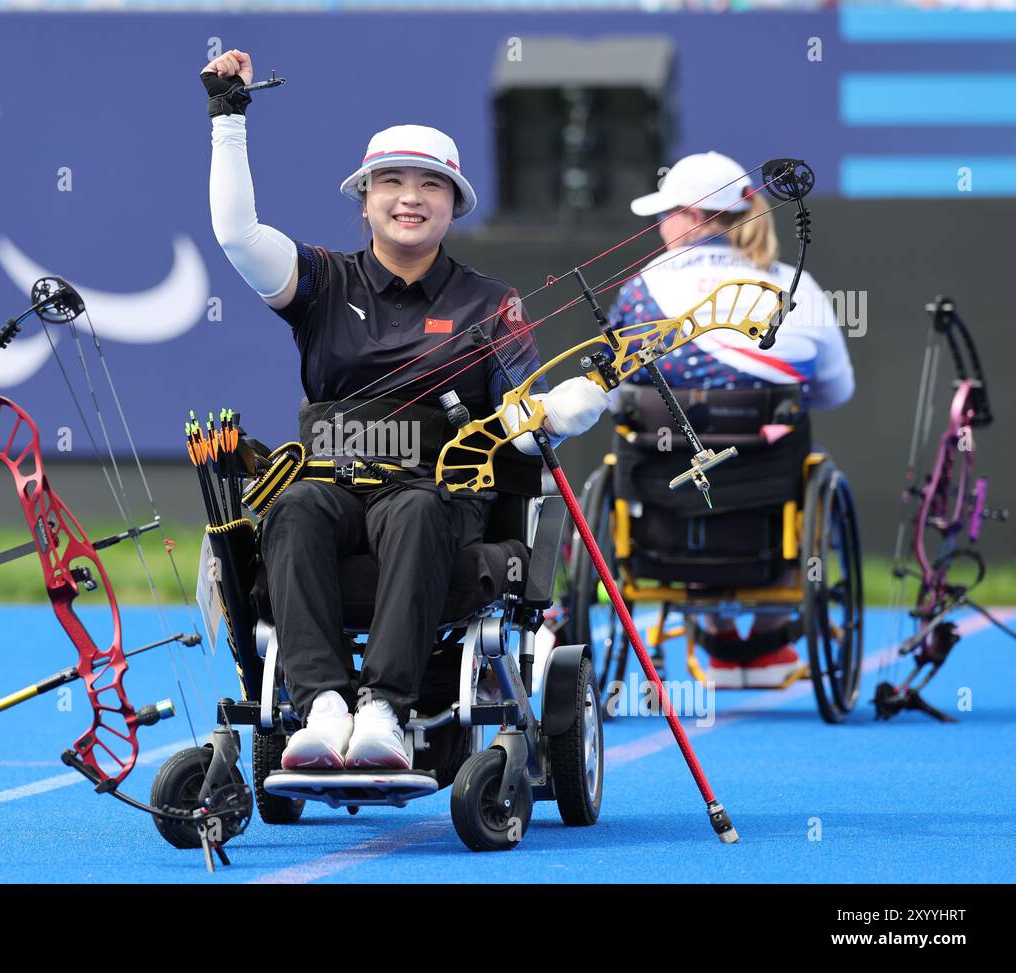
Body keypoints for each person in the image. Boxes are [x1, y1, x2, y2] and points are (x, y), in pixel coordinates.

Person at [202, 49, 609, 769]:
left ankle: (385, 711)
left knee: (417, 510)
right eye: (390, 182)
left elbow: (516, 414)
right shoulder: (322, 281)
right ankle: (322, 706)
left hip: (438, 494)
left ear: (453, 204)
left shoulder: (491, 303)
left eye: (430, 185)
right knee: (291, 508)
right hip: (330, 488)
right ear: (364, 200)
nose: (409, 197)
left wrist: (558, 409)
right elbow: (238, 236)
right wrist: (228, 118)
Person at [607, 150, 855, 688]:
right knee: (797, 430)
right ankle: (764, 643)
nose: (657, 226)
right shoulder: (796, 286)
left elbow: (609, 393)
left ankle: (715, 631)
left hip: (662, 504)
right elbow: (837, 390)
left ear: (695, 217)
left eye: (666, 213)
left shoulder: (640, 289)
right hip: (768, 495)